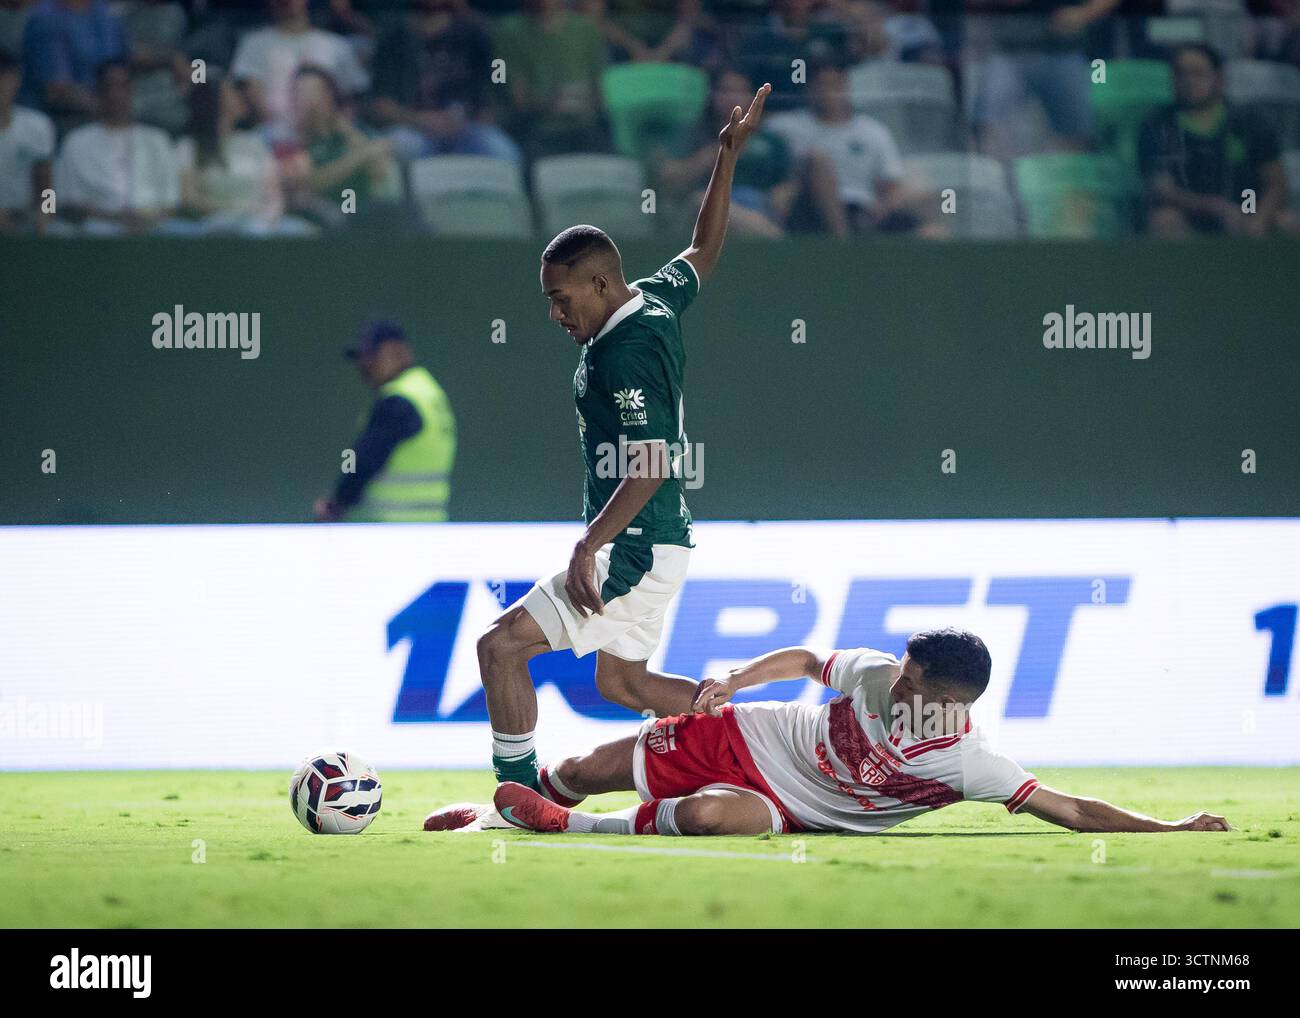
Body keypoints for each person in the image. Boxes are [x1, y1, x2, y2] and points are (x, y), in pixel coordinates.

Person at [463, 83, 774, 809]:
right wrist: (726, 157)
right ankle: (761, 745)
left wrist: (586, 548)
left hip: (634, 543)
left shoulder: (624, 353)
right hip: (663, 538)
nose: (554, 313)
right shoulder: (654, 298)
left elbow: (651, 462)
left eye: (562, 298)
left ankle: (518, 797)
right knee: (624, 685)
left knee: (501, 647)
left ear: (601, 283)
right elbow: (704, 246)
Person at [477, 629, 1232, 837]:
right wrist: (736, 682)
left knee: (713, 818)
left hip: (791, 809)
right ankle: (496, 812)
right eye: (902, 670)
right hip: (755, 737)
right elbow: (807, 660)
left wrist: (1170, 826)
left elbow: (1070, 810)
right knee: (585, 762)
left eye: (913, 682)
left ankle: (566, 827)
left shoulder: (971, 762)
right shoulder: (876, 670)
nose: (896, 682)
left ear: (951, 697)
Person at [1139, 43, 1298, 238]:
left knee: (1288, 222)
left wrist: (1259, 221)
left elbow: (1275, 182)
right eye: (1181, 73)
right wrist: (1216, 208)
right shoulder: (1157, 124)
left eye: (1198, 73)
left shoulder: (1250, 121)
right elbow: (1162, 189)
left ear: (1219, 79)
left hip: (1248, 213)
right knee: (1164, 221)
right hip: (1191, 217)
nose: (1189, 81)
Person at [314, 319, 456, 523]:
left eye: (371, 356)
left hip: (388, 536)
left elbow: (364, 462)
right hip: (429, 528)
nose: (364, 365)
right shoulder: (429, 393)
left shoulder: (398, 401)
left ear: (397, 352)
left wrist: (335, 504)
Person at [367, 0, 519, 164]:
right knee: (396, 148)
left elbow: (499, 89)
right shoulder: (393, 36)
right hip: (412, 129)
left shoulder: (477, 33)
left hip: (468, 129)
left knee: (502, 152)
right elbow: (379, 105)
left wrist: (473, 118)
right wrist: (419, 120)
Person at [52, 60, 179, 234]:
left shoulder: (156, 140)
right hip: (96, 229)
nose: (115, 94)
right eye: (109, 87)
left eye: (122, 86)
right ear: (97, 92)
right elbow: (68, 203)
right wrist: (116, 218)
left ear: (132, 91)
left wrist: (145, 219)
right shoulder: (76, 141)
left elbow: (170, 201)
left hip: (152, 228)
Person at [230, 0, 368, 141]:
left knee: (310, 83)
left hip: (328, 138)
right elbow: (252, 98)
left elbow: (351, 101)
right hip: (271, 140)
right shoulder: (253, 44)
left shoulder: (336, 45)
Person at [18, 0, 126, 124]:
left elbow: (119, 63)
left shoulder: (105, 13)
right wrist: (109, 109)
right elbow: (57, 91)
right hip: (66, 119)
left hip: (108, 113)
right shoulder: (45, 19)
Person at [0, 49, 53, 234]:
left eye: (5, 78)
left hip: (21, 223)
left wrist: (46, 215)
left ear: (16, 80)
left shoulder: (38, 126)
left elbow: (47, 188)